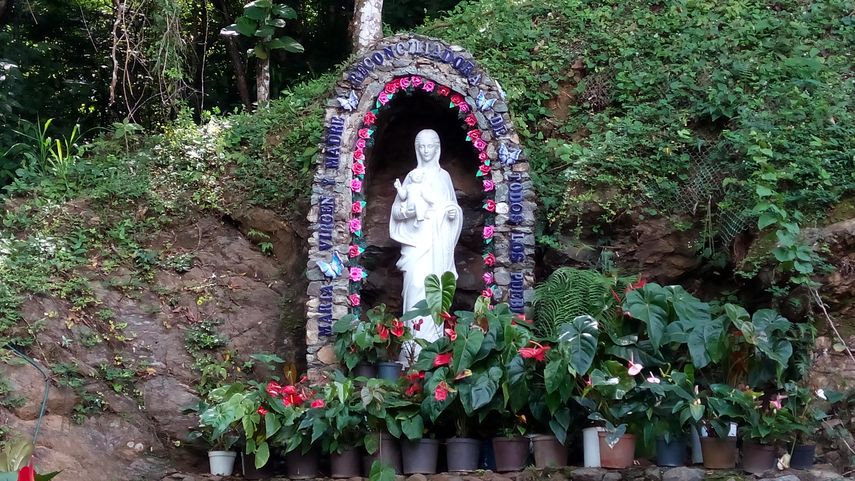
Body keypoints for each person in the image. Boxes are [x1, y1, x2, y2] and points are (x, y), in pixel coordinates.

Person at [389, 129, 463, 357]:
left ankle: (433, 348)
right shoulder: (412, 177)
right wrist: (410, 212)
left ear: (437, 148)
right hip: (415, 242)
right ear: (416, 149)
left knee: (435, 291)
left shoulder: (443, 177)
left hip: (437, 244)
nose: (425, 151)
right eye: (421, 146)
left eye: (430, 146)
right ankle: (411, 350)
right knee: (414, 287)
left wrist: (452, 214)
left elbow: (452, 207)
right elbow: (396, 212)